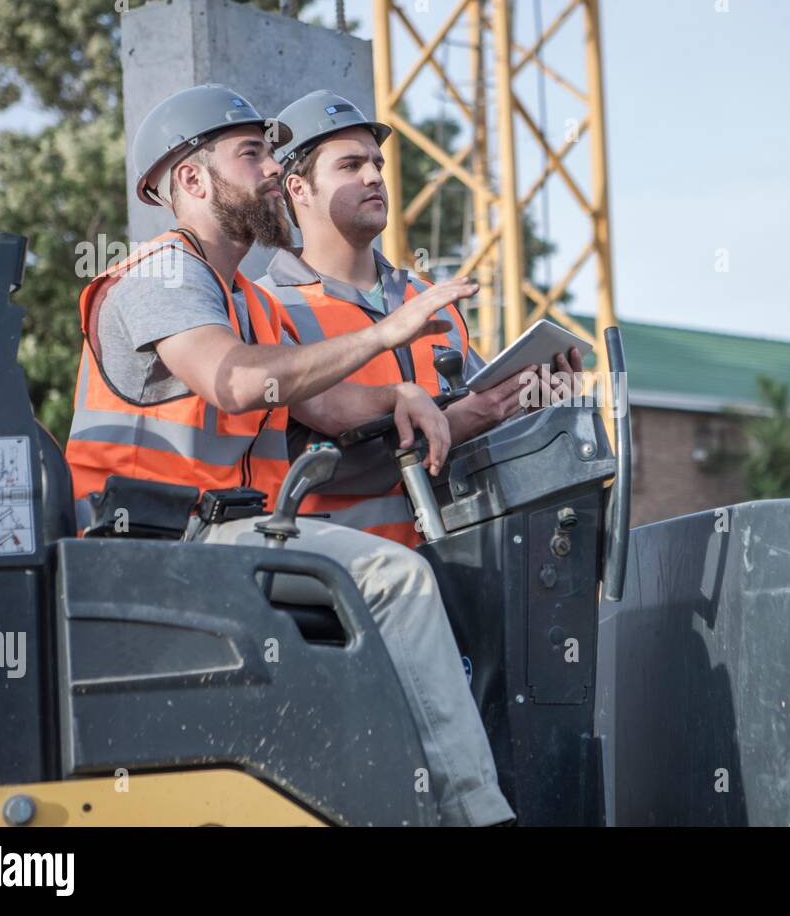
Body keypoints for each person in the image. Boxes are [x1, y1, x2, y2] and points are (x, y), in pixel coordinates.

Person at [63, 84, 513, 826]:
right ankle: (476, 814)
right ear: (191, 179)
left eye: (273, 152)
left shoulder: (252, 299)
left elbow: (326, 405)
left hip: (220, 539)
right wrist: (386, 335)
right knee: (392, 578)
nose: (274, 169)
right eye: (252, 153)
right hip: (148, 544)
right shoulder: (160, 275)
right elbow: (237, 381)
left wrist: (400, 396)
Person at [257, 90, 582, 546]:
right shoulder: (268, 309)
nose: (373, 176)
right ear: (298, 188)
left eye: (377, 164)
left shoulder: (430, 300)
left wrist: (527, 405)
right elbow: (321, 468)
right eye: (350, 166)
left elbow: (485, 436)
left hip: (460, 569)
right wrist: (468, 419)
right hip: (335, 583)